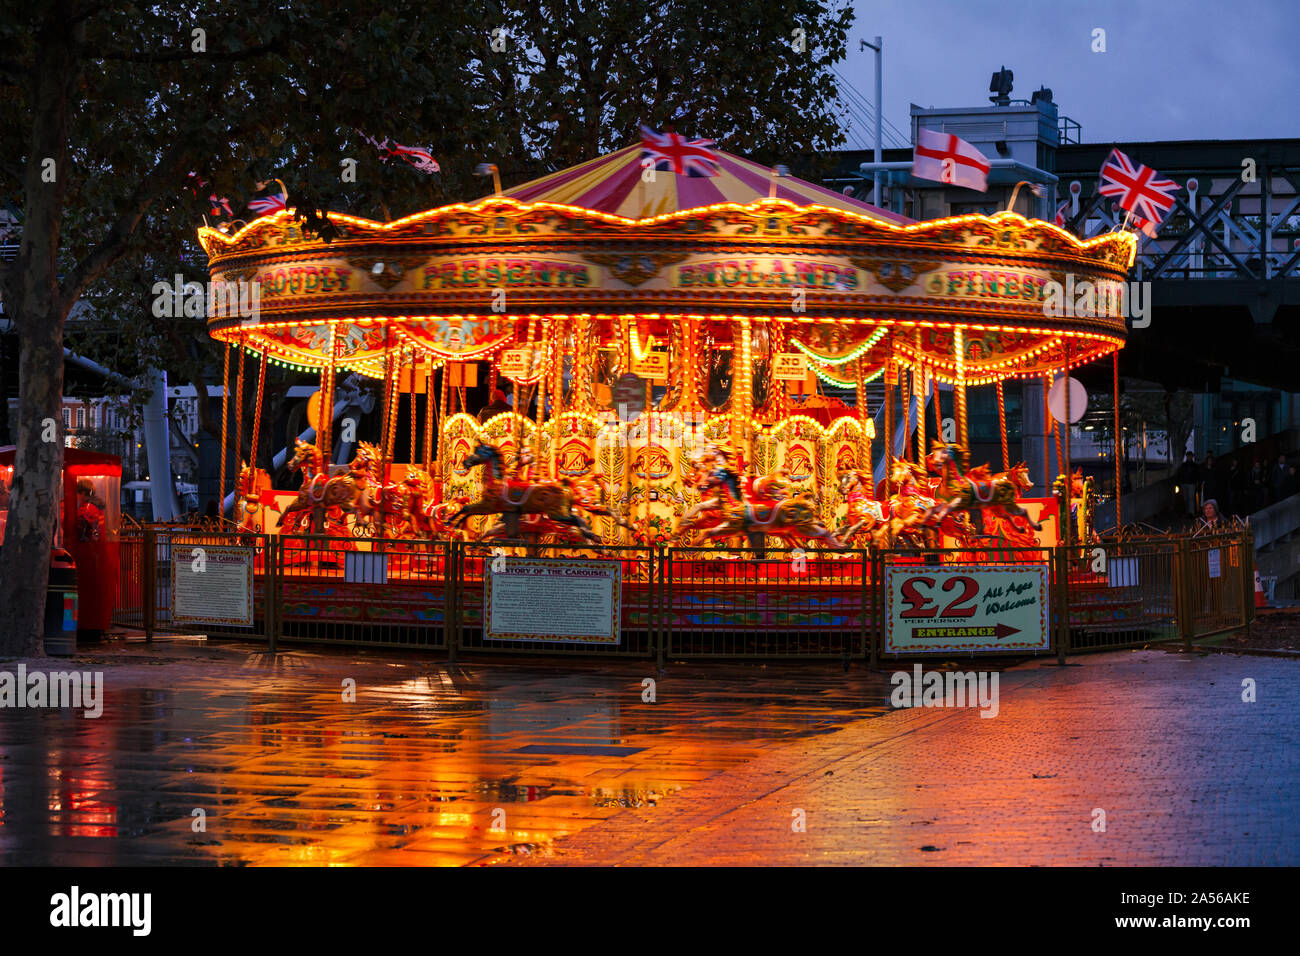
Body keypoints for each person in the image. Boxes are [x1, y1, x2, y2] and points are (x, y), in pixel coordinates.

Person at [75, 477, 106, 542]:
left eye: (77, 493)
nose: (76, 496)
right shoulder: (97, 506)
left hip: (88, 547)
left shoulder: (85, 509)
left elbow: (79, 532)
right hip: (99, 545)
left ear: (83, 493)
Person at [1175, 451, 1200, 517]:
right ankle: (1187, 512)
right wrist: (1179, 483)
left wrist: (1196, 482)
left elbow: (1197, 475)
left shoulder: (1194, 465)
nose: (1189, 457)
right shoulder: (1184, 465)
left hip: (1191, 483)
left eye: (1190, 456)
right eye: (1188, 456)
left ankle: (1191, 513)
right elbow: (1180, 474)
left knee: (1191, 498)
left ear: (1192, 457)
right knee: (1186, 498)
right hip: (1184, 483)